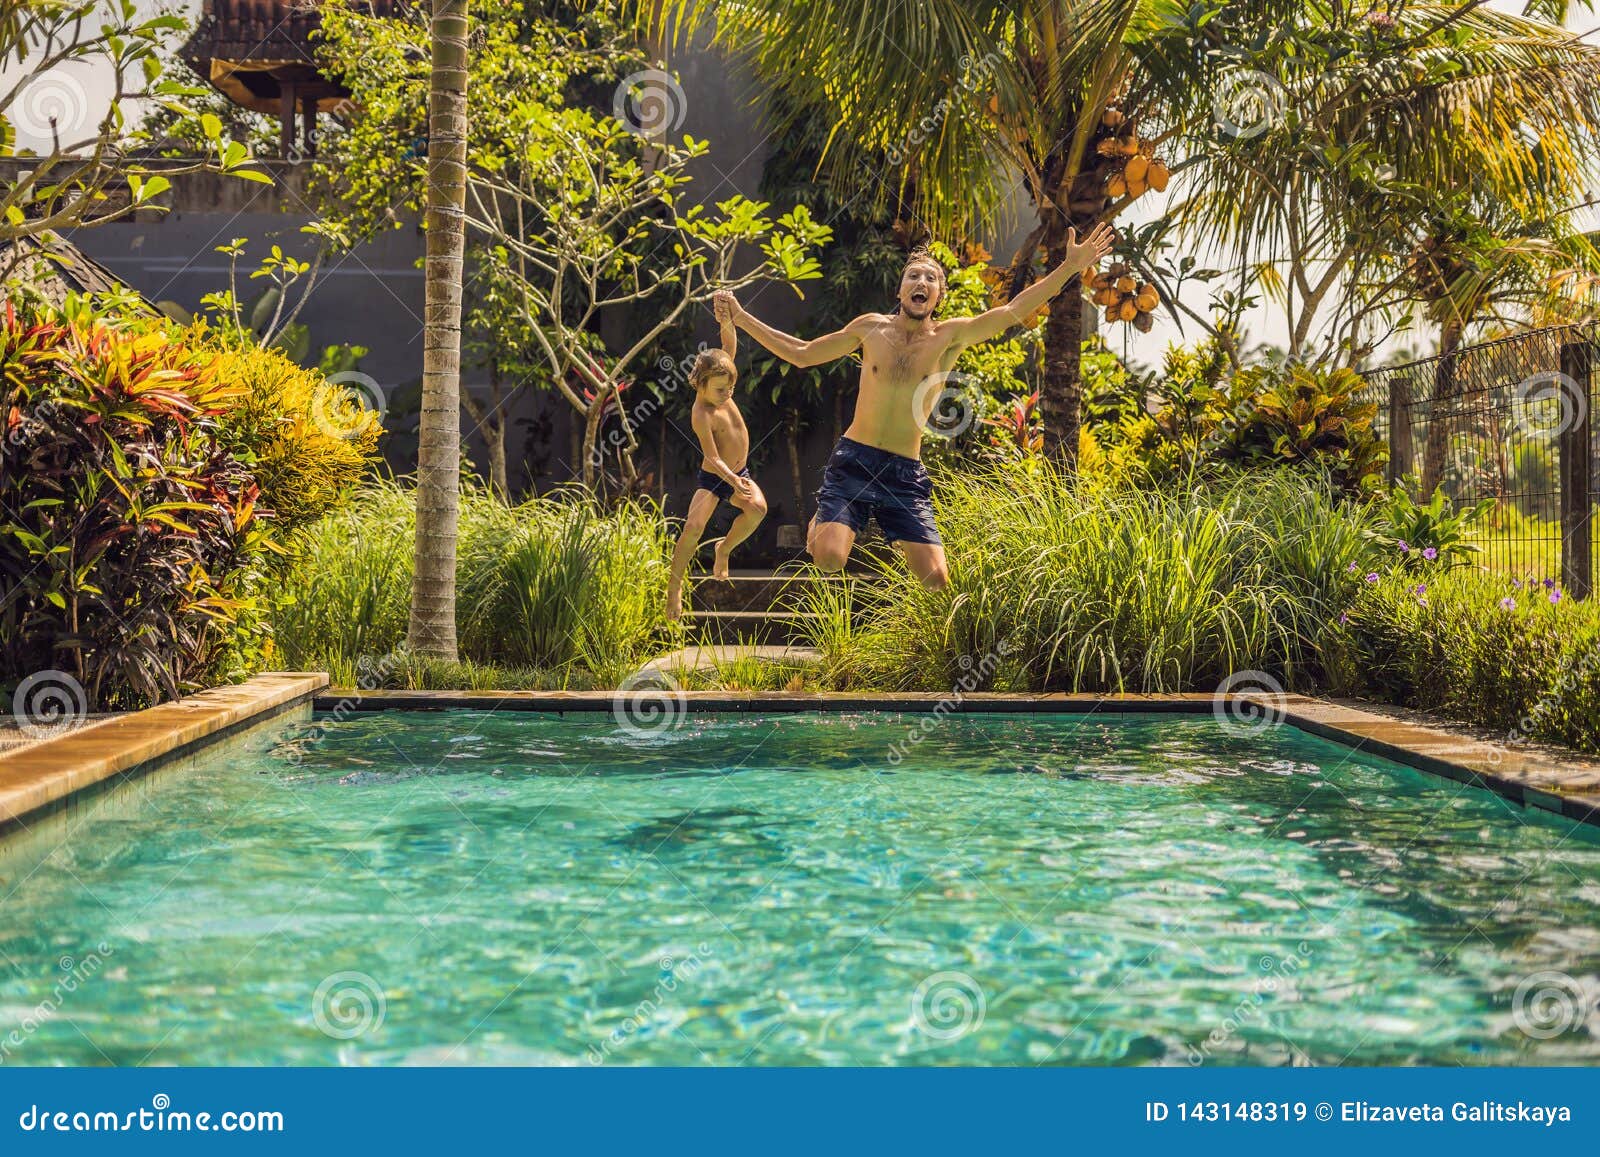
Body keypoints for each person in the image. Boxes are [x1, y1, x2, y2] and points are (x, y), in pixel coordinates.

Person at [713, 223, 1116, 589]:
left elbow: (1012, 312)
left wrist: (1068, 267)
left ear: (938, 295)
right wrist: (742, 317)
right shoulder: (871, 328)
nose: (921, 281)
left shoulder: (950, 337)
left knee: (936, 580)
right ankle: (825, 522)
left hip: (904, 472)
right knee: (831, 559)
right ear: (901, 289)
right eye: (913, 275)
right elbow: (802, 353)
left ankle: (857, 525)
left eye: (930, 278)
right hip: (854, 460)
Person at [665, 295, 768, 621]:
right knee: (694, 526)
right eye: (722, 391)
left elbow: (727, 342)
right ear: (701, 384)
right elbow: (711, 456)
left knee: (757, 510)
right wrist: (734, 480)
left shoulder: (722, 376)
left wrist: (725, 315)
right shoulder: (701, 412)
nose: (728, 395)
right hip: (715, 476)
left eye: (731, 389)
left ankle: (723, 548)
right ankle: (674, 588)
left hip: (739, 471)